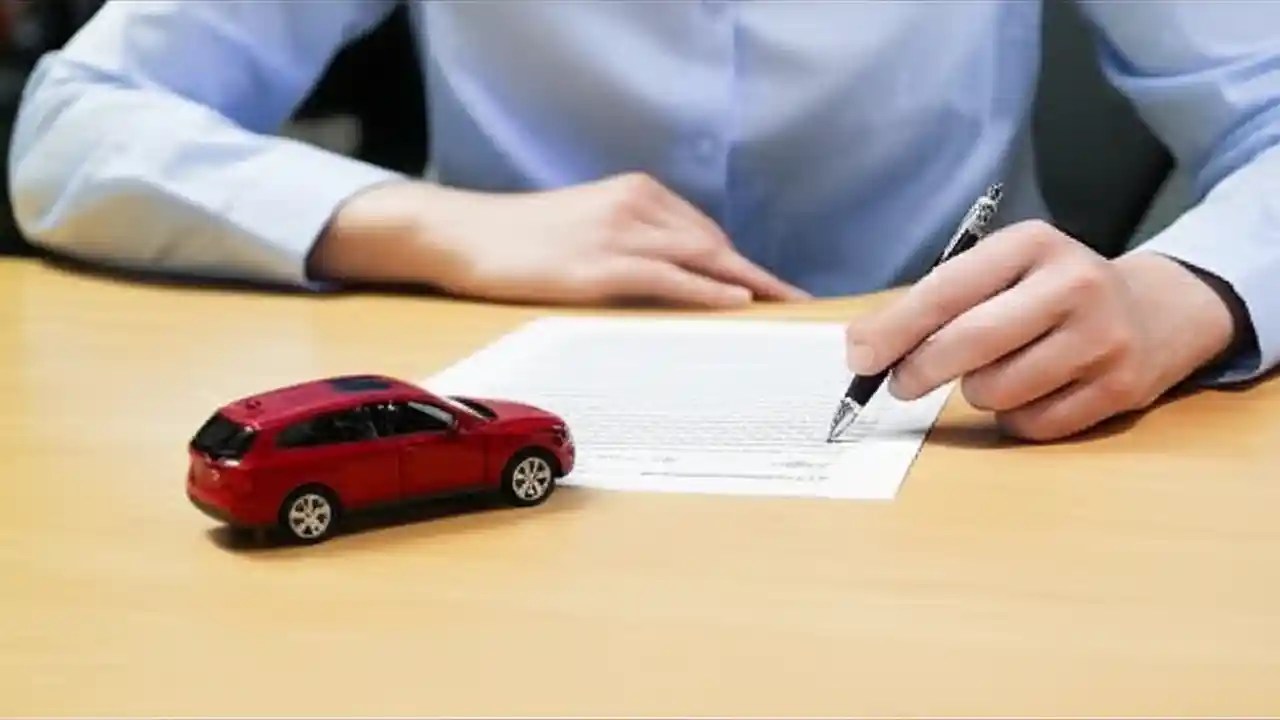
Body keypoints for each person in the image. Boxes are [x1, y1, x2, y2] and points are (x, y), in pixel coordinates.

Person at [8, 2, 1279, 441]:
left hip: (972, 423)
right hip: (498, 435)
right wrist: (425, 222)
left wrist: (1185, 291)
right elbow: (76, 121)